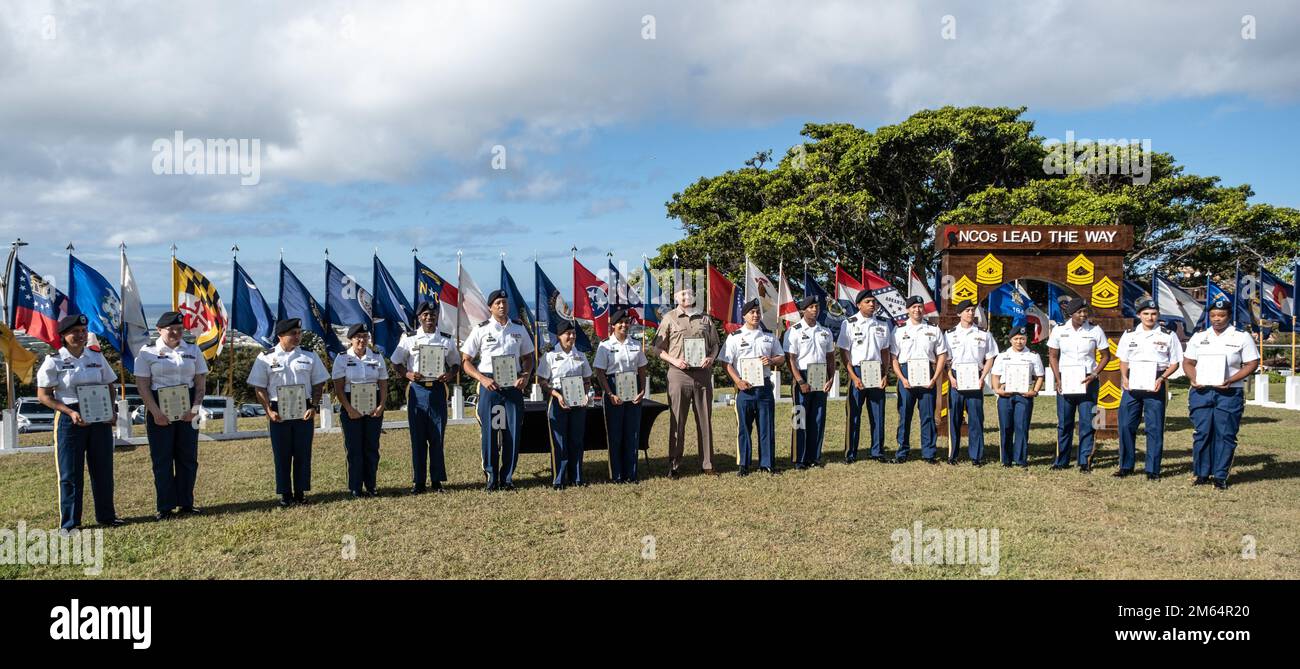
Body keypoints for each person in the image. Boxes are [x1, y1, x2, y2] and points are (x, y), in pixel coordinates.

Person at [36, 314, 125, 532]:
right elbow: (44, 395)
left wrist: (111, 410)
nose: (80, 335)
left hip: (99, 416)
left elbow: (110, 385)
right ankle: (70, 523)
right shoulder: (54, 360)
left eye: (83, 332)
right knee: (70, 473)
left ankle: (107, 516)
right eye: (75, 332)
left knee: (103, 469)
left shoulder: (95, 356)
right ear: (64, 335)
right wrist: (69, 412)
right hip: (70, 418)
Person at [133, 311, 208, 520]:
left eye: (180, 329)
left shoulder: (193, 350)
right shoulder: (147, 353)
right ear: (159, 330)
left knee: (188, 458)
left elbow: (200, 381)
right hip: (158, 409)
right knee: (162, 459)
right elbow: (142, 385)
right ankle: (164, 506)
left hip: (188, 409)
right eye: (171, 329)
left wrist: (194, 409)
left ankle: (186, 503)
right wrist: (156, 413)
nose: (176, 332)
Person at [247, 318, 330, 506]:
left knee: (302, 452)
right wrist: (268, 410)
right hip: (278, 409)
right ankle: (285, 495)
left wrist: (314, 406)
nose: (297, 337)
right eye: (293, 334)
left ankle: (300, 493)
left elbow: (318, 383)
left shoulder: (309, 356)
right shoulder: (266, 357)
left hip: (304, 408)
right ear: (280, 336)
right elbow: (259, 387)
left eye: (299, 333)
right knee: (282, 453)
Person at [460, 289, 535, 491]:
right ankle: (491, 478)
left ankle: (508, 477)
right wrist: (482, 379)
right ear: (490, 307)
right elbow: (466, 361)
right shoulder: (481, 330)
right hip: (490, 386)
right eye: (498, 303)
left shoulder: (518, 329)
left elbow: (528, 357)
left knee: (512, 431)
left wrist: (525, 376)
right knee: (490, 432)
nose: (502, 306)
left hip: (513, 385)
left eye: (504, 302)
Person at [1183, 298, 1260, 490]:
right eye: (1213, 316)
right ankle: (1201, 474)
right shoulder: (1199, 337)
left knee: (1225, 434)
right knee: (1202, 433)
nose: (1217, 319)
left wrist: (1232, 380)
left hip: (1229, 392)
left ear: (1229, 316)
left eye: (1221, 315)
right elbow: (1188, 362)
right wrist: (1193, 378)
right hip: (1201, 391)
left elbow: (1252, 363)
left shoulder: (1241, 337)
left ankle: (1220, 476)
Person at [650, 286, 721, 477]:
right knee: (677, 421)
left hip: (703, 374)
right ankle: (674, 464)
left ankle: (707, 464)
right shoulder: (669, 318)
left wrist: (711, 358)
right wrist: (674, 360)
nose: (687, 296)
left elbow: (715, 344)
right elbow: (657, 348)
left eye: (690, 293)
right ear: (676, 297)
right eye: (683, 294)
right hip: (678, 375)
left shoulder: (705, 318)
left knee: (705, 420)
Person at [390, 301, 459, 493]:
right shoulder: (409, 338)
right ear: (419, 317)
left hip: (437, 390)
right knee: (418, 438)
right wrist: (408, 374)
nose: (429, 318)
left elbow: (455, 363)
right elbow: (396, 362)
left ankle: (437, 482)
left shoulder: (446, 339)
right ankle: (418, 482)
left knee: (437, 436)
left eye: (433, 314)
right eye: (425, 315)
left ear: (437, 316)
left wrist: (450, 375)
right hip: (417, 391)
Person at [1114, 298, 1184, 481]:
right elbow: (1123, 360)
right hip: (1132, 382)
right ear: (1139, 315)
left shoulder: (1168, 335)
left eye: (1153, 314)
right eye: (1145, 313)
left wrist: (1162, 378)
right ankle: (1126, 466)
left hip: (1156, 381)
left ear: (1158, 315)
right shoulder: (1129, 335)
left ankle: (1153, 469)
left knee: (1154, 427)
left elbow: (1175, 362)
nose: (1150, 317)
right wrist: (1124, 377)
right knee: (1126, 425)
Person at [1046, 297, 1111, 472]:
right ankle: (1062, 460)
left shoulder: (1095, 330)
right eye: (1079, 312)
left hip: (1088, 382)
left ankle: (1084, 460)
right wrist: (1058, 379)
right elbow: (1052, 355)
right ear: (1071, 314)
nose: (1083, 315)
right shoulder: (1059, 330)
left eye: (1085, 312)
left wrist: (1095, 373)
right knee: (1064, 423)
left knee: (1088, 422)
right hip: (1066, 382)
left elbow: (1106, 355)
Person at [721, 299, 785, 476]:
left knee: (766, 427)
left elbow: (782, 357)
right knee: (744, 428)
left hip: (764, 387)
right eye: (752, 312)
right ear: (744, 316)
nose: (756, 315)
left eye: (758, 312)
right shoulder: (735, 337)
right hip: (744, 388)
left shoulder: (769, 336)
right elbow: (726, 363)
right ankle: (744, 464)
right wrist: (737, 381)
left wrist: (772, 360)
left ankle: (767, 463)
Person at [889, 295, 949, 464]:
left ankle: (929, 453)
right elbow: (893, 358)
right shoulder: (899, 330)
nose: (917, 310)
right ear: (908, 309)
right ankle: (902, 452)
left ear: (924, 309)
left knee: (928, 416)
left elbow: (942, 355)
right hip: (906, 375)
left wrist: (935, 378)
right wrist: (902, 378)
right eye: (914, 307)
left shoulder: (933, 329)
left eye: (920, 306)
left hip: (927, 376)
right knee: (905, 415)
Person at [332, 323, 388, 497]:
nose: (362, 340)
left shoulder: (376, 357)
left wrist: (381, 405)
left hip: (373, 404)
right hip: (351, 405)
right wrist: (349, 409)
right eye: (358, 337)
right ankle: (355, 486)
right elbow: (339, 388)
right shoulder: (342, 358)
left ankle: (371, 485)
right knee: (354, 448)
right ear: (351, 340)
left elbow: (383, 383)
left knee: (371, 447)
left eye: (365, 337)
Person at [594, 309, 648, 483]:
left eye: (627, 322)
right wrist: (609, 393)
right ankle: (616, 475)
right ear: (613, 325)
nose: (624, 325)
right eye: (621, 322)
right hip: (613, 389)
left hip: (633, 389)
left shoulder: (636, 345)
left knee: (632, 433)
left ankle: (631, 474)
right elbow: (600, 372)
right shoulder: (605, 346)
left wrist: (642, 390)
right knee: (615, 434)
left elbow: (642, 369)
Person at [537, 321, 593, 489]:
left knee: (576, 439)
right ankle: (559, 479)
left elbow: (587, 379)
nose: (571, 336)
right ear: (559, 336)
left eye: (573, 333)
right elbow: (542, 381)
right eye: (567, 334)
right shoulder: (550, 356)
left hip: (578, 400)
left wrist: (585, 394)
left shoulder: (580, 355)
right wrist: (556, 395)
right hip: (557, 399)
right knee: (559, 441)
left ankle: (576, 477)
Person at [838, 290, 893, 462]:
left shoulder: (883, 324)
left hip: (877, 372)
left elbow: (885, 352)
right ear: (859, 304)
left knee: (878, 414)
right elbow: (844, 352)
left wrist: (885, 374)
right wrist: (853, 376)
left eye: (874, 302)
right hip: (858, 372)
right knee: (854, 413)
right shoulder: (849, 323)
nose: (872, 304)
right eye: (868, 301)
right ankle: (851, 452)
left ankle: (877, 451)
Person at [944, 299, 998, 466]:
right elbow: (945, 360)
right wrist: (950, 378)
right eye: (966, 310)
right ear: (959, 313)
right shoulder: (950, 334)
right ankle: (953, 454)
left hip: (976, 378)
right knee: (954, 418)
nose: (970, 313)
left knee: (975, 418)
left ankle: (976, 456)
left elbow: (990, 357)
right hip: (956, 379)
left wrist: (983, 378)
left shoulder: (983, 334)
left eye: (972, 310)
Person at [784, 296, 835, 469]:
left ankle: (814, 457)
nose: (815, 309)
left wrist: (831, 378)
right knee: (800, 419)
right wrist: (800, 381)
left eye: (816, 306)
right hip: (802, 375)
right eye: (811, 307)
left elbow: (830, 357)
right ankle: (799, 459)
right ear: (803, 310)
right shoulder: (794, 331)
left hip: (820, 374)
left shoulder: (825, 331)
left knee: (818, 418)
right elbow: (790, 358)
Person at [990, 325, 1043, 468]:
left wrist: (1035, 391)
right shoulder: (1002, 356)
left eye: (1022, 338)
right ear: (1010, 340)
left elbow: (1039, 376)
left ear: (1026, 340)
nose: (1019, 341)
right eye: (1016, 339)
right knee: (1006, 427)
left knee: (1021, 426)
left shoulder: (1033, 356)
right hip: (1005, 395)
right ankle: (1006, 460)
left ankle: (1020, 459)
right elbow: (995, 375)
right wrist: (997, 389)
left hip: (1024, 396)